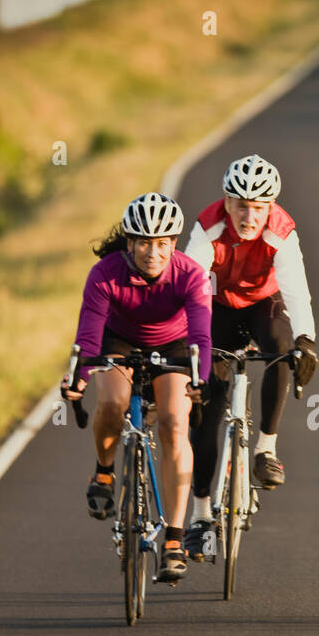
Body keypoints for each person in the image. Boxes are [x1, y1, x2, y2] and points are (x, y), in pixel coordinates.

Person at [61, 192, 212, 582]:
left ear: (174, 244)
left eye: (162, 243)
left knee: (174, 423)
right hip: (119, 340)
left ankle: (175, 539)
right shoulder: (105, 274)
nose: (153, 253)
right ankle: (105, 473)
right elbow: (89, 337)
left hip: (173, 344)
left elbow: (201, 339)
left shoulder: (191, 276)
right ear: (129, 242)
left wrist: (201, 380)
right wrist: (77, 378)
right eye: (144, 242)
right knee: (112, 403)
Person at [180, 153, 319, 560]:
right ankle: (202, 514)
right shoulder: (208, 227)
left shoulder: (281, 229)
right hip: (216, 305)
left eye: (259, 207)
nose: (249, 215)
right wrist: (188, 351)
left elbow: (296, 288)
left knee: (281, 351)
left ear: (270, 207)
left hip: (263, 303)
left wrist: (306, 340)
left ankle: (265, 450)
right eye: (241, 205)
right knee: (205, 408)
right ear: (227, 202)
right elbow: (189, 288)